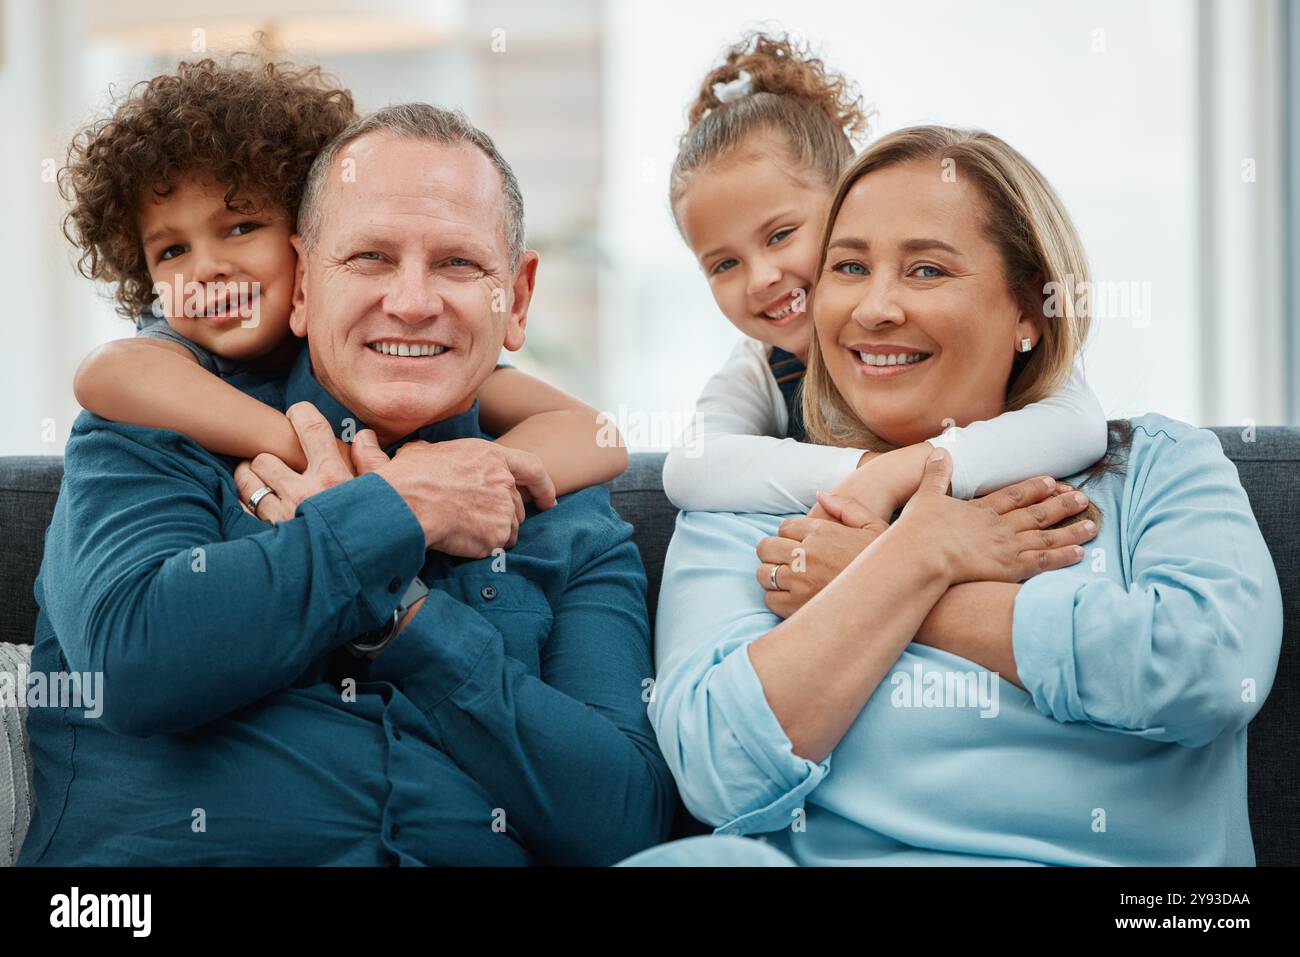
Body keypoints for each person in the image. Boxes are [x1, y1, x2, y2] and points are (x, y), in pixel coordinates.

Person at [19, 103, 675, 866]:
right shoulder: (159, 428)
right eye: (369, 257)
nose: (412, 301)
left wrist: (404, 615)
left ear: (517, 300)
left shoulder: (570, 514)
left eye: (459, 264)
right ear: (302, 285)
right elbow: (128, 669)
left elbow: (627, 821)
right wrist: (399, 510)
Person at [649, 125, 1283, 866]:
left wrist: (906, 573)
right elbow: (717, 768)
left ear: (1029, 312)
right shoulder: (749, 496)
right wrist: (921, 551)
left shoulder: (1156, 466)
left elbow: (1209, 669)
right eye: (849, 267)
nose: (876, 308)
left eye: (925, 271)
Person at [66, 55, 626, 501]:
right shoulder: (182, 349)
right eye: (171, 251)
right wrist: (308, 447)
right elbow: (104, 372)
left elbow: (598, 437)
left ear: (307, 246)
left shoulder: (393, 343)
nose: (205, 267)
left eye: (239, 228)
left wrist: (455, 473)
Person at [662, 33, 1107, 520]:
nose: (761, 277)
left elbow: (1079, 424)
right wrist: (872, 472)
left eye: (780, 235)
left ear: (846, 208)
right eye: (724, 264)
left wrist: (905, 472)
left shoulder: (1006, 344)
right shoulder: (758, 367)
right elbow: (691, 467)